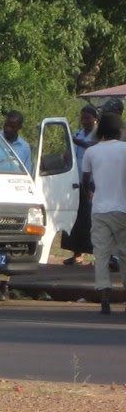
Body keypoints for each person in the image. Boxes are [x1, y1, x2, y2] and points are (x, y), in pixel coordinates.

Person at [83, 111, 126, 315]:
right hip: (123, 210)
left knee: (101, 254)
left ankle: (104, 298)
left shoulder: (91, 151)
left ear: (100, 131)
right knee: (125, 254)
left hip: (99, 210)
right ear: (119, 130)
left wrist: (91, 193)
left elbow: (85, 180)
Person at [65, 106, 100, 266]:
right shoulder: (78, 133)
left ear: (95, 118)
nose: (85, 121)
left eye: (88, 118)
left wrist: (73, 140)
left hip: (93, 183)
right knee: (77, 219)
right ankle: (77, 254)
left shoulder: (100, 134)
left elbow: (91, 146)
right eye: (83, 118)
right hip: (77, 182)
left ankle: (97, 255)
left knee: (93, 220)